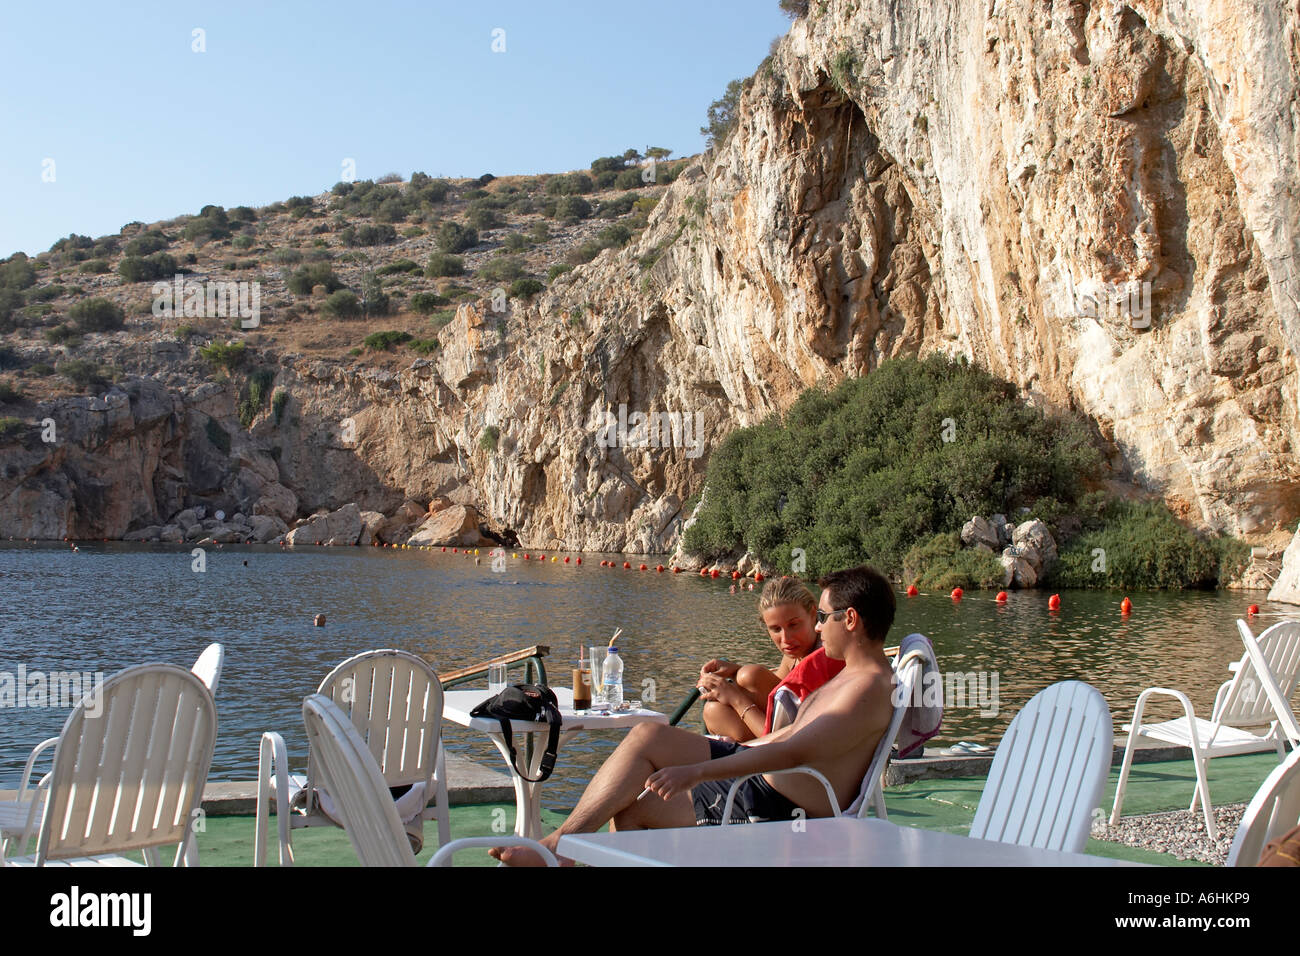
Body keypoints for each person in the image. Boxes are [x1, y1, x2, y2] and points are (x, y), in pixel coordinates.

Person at [492, 564, 897, 865]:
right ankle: (560, 846)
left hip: (778, 805)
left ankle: (558, 850)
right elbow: (786, 740)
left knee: (634, 808)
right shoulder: (853, 677)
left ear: (850, 619)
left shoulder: (865, 690)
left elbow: (795, 753)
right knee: (649, 736)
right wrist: (725, 749)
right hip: (759, 783)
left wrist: (699, 770)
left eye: (823, 618)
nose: (820, 628)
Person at [698, 576, 841, 741]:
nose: (786, 638)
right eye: (775, 629)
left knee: (749, 676)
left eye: (793, 625)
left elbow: (787, 739)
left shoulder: (821, 659)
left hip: (793, 746)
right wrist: (734, 671)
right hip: (777, 740)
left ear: (812, 614)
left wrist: (734, 698)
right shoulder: (796, 652)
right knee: (714, 711)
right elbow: (776, 689)